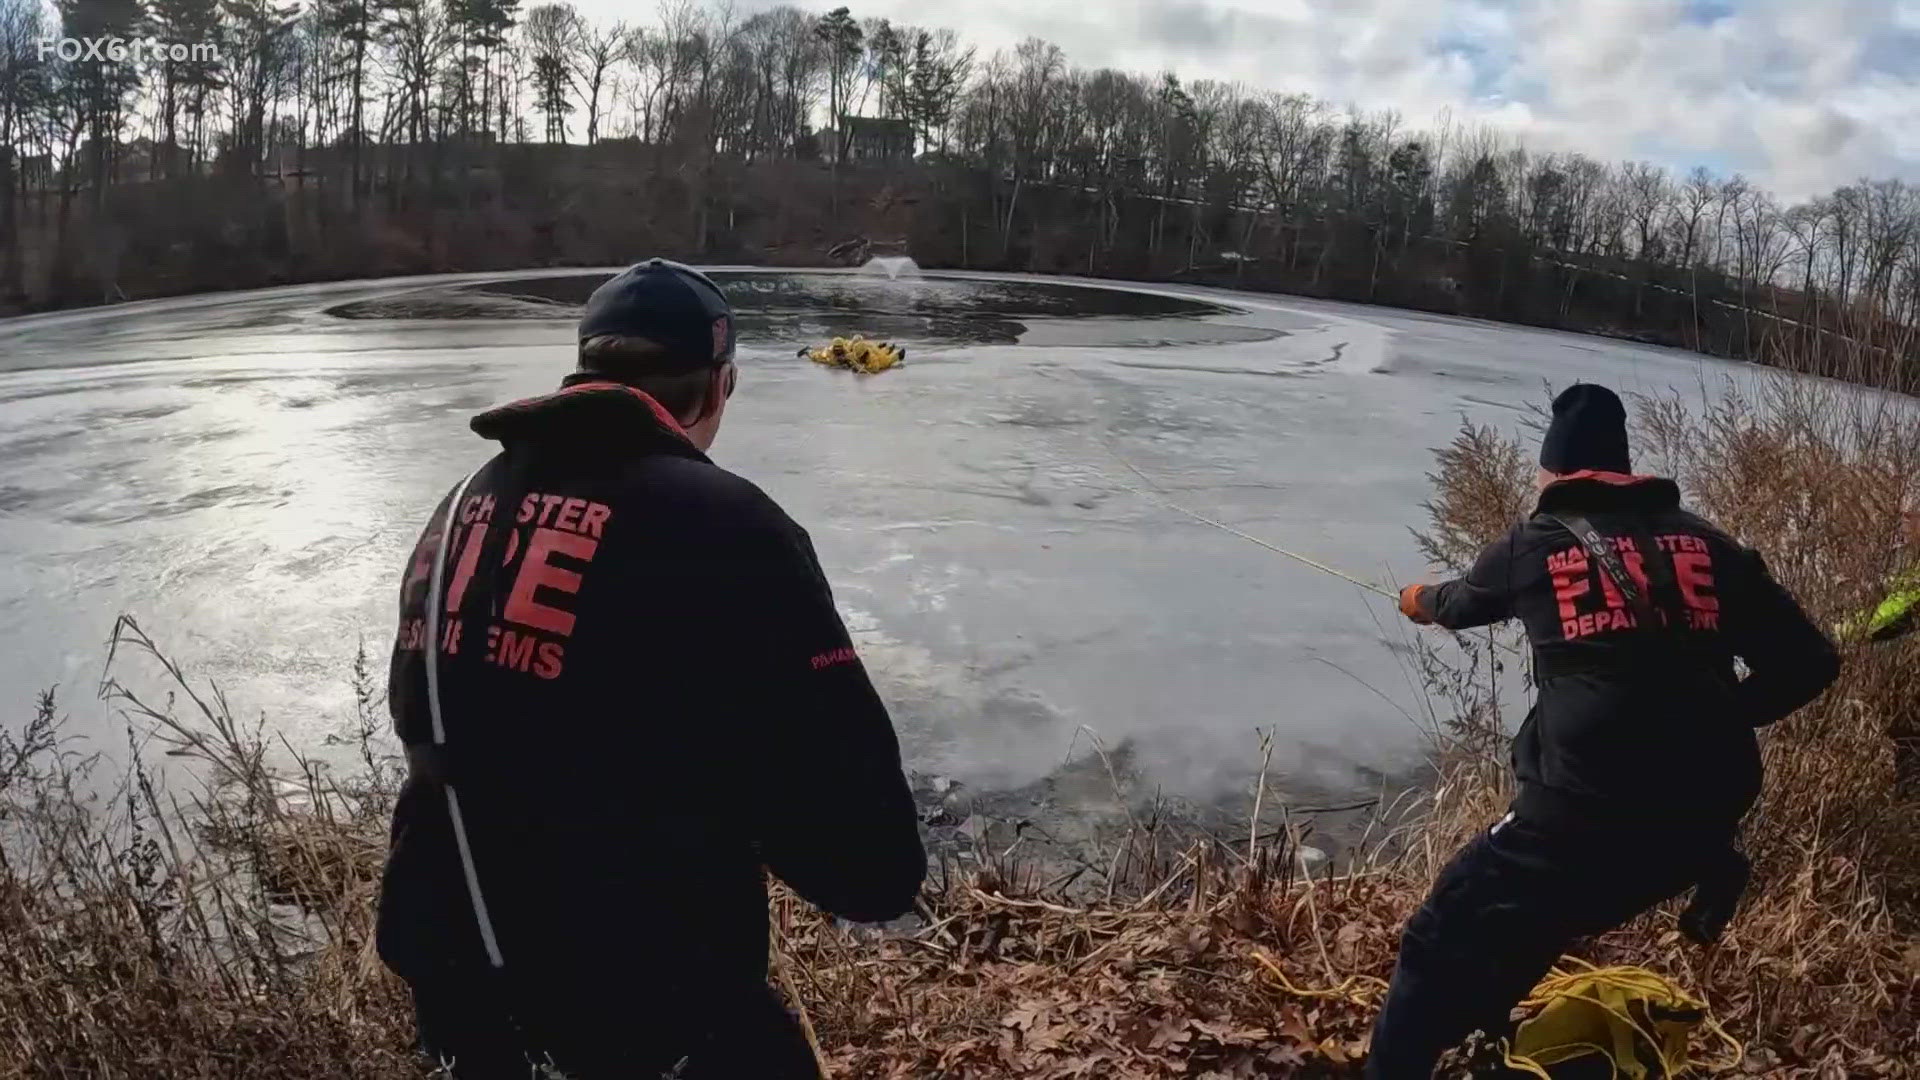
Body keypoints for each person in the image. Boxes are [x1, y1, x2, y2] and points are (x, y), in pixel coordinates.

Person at [376, 258, 926, 1079]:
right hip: (642, 1002)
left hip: (456, 969)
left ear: (584, 369)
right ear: (720, 386)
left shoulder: (460, 506)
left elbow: (424, 714)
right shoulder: (728, 524)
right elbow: (869, 860)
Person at [1369, 383, 1839, 1078]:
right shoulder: (1709, 545)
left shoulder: (1535, 541)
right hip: (1700, 820)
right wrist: (1719, 716)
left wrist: (1416, 600)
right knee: (1529, 920)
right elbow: (1812, 661)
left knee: (1441, 936)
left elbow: (1458, 603)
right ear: (1625, 469)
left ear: (1554, 473)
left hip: (1578, 820)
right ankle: (1483, 1049)